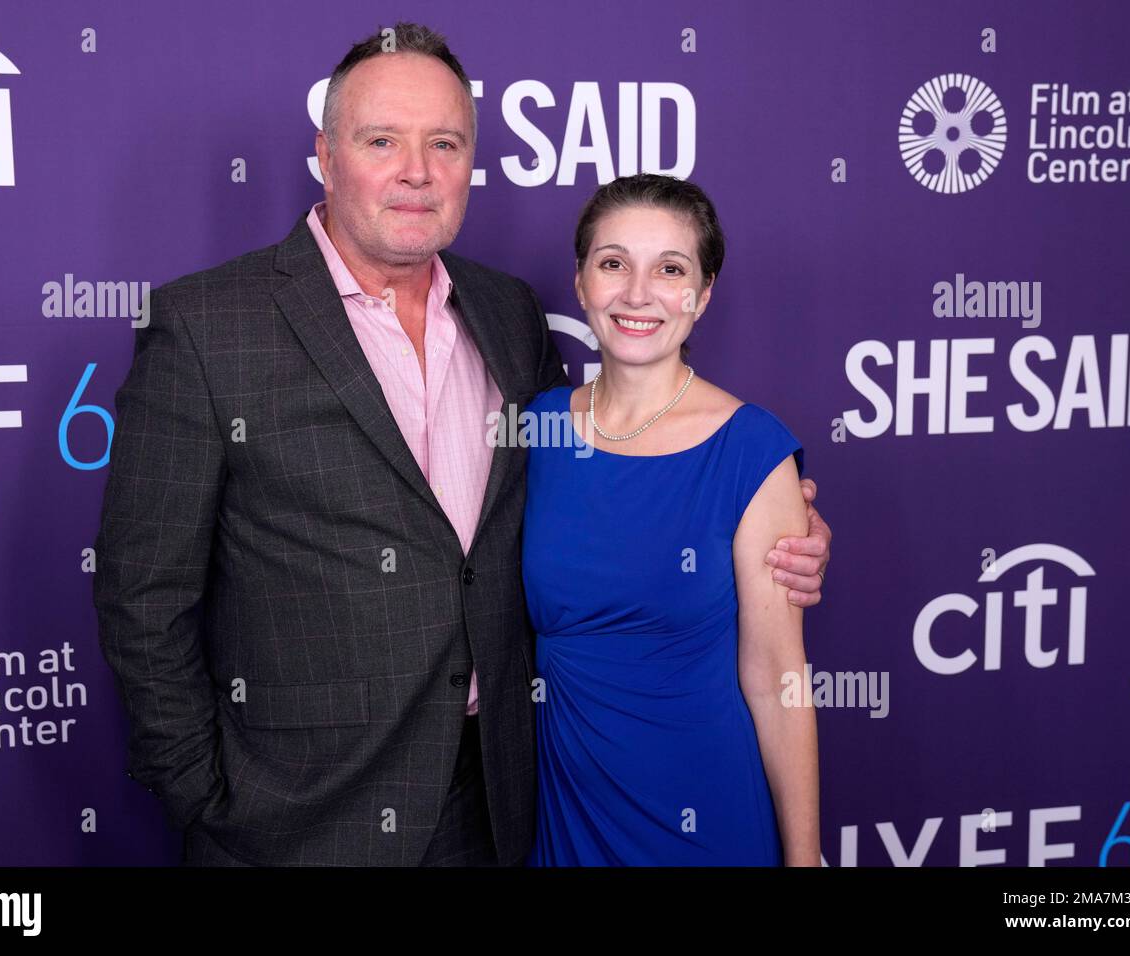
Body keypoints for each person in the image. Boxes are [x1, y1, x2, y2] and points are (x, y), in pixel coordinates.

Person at [93, 22, 831, 868]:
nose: (417, 170)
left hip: (499, 799)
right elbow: (143, 594)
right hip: (298, 819)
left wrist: (780, 528)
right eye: (383, 141)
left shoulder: (508, 315)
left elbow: (613, 485)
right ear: (326, 157)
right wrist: (203, 794)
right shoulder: (206, 326)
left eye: (444, 143)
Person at [524, 174, 820, 866]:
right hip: (563, 815)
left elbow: (778, 676)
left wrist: (805, 861)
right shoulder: (536, 428)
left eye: (670, 269)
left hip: (703, 814)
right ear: (580, 281)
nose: (637, 293)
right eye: (613, 263)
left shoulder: (751, 449)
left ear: (703, 294)